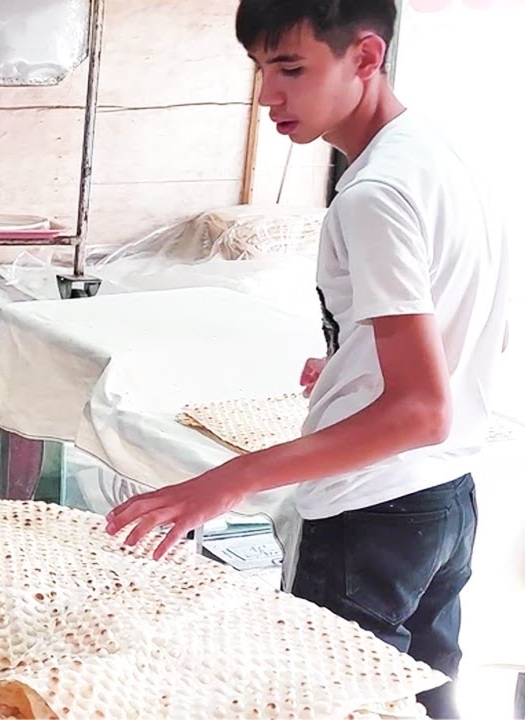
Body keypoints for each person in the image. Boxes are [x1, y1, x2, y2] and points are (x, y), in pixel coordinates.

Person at [104, 1, 511, 717]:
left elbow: (419, 411)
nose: (269, 96)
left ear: (364, 56)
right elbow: (475, 330)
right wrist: (355, 359)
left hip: (371, 513)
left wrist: (225, 482)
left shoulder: (374, 195)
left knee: (328, 703)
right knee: (419, 697)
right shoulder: (442, 155)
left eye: (292, 68)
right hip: (447, 502)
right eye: (262, 70)